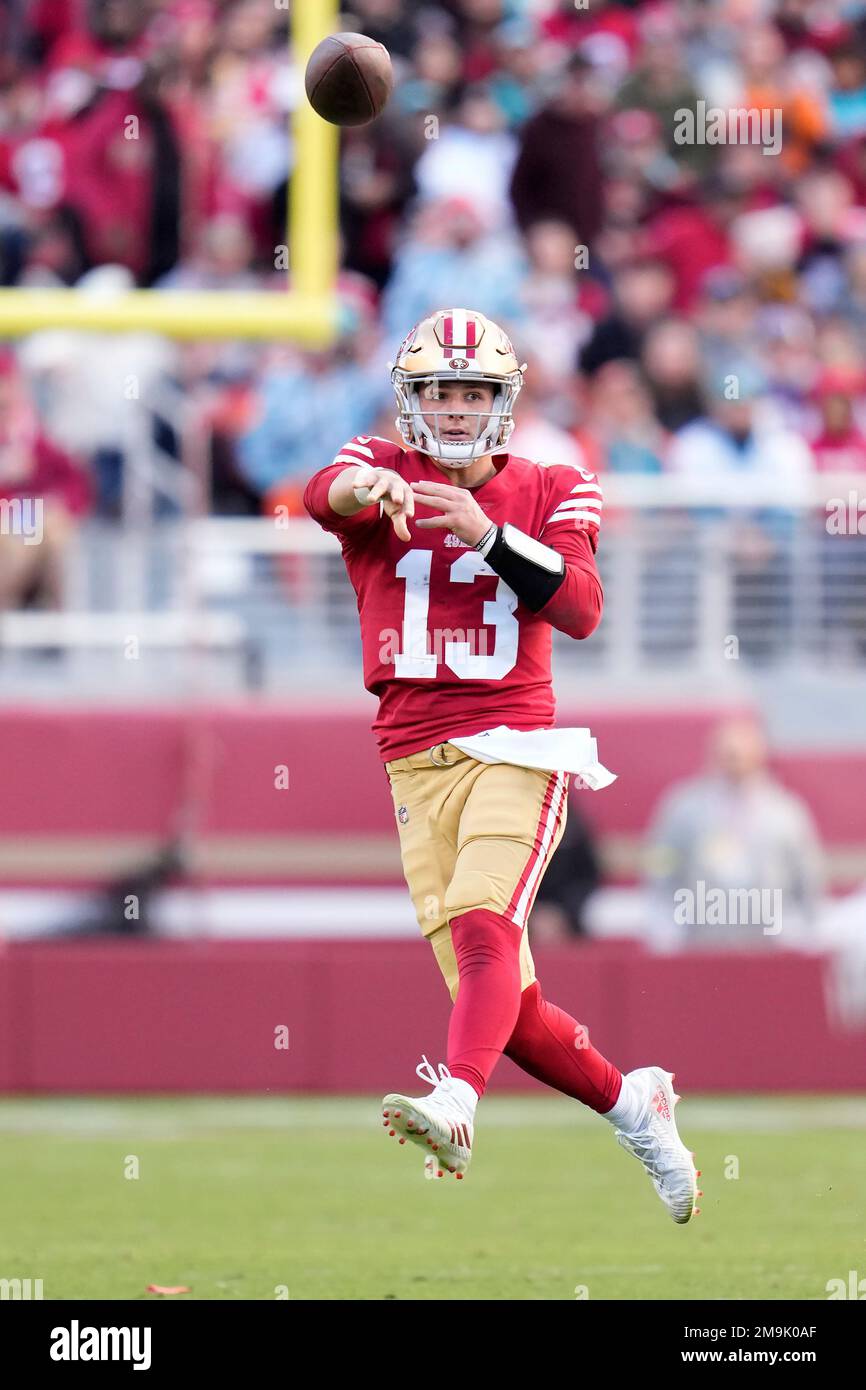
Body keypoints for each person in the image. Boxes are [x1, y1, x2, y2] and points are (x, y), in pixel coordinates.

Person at [303, 308, 701, 1222]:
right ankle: (638, 1109)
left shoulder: (555, 482)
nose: (450, 409)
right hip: (411, 761)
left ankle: (457, 1103)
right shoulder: (380, 464)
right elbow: (328, 491)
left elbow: (582, 607)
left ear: (504, 400)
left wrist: (484, 531)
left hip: (515, 745)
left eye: (471, 391)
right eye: (436, 391)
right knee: (510, 1013)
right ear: (410, 398)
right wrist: (371, 491)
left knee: (486, 921)